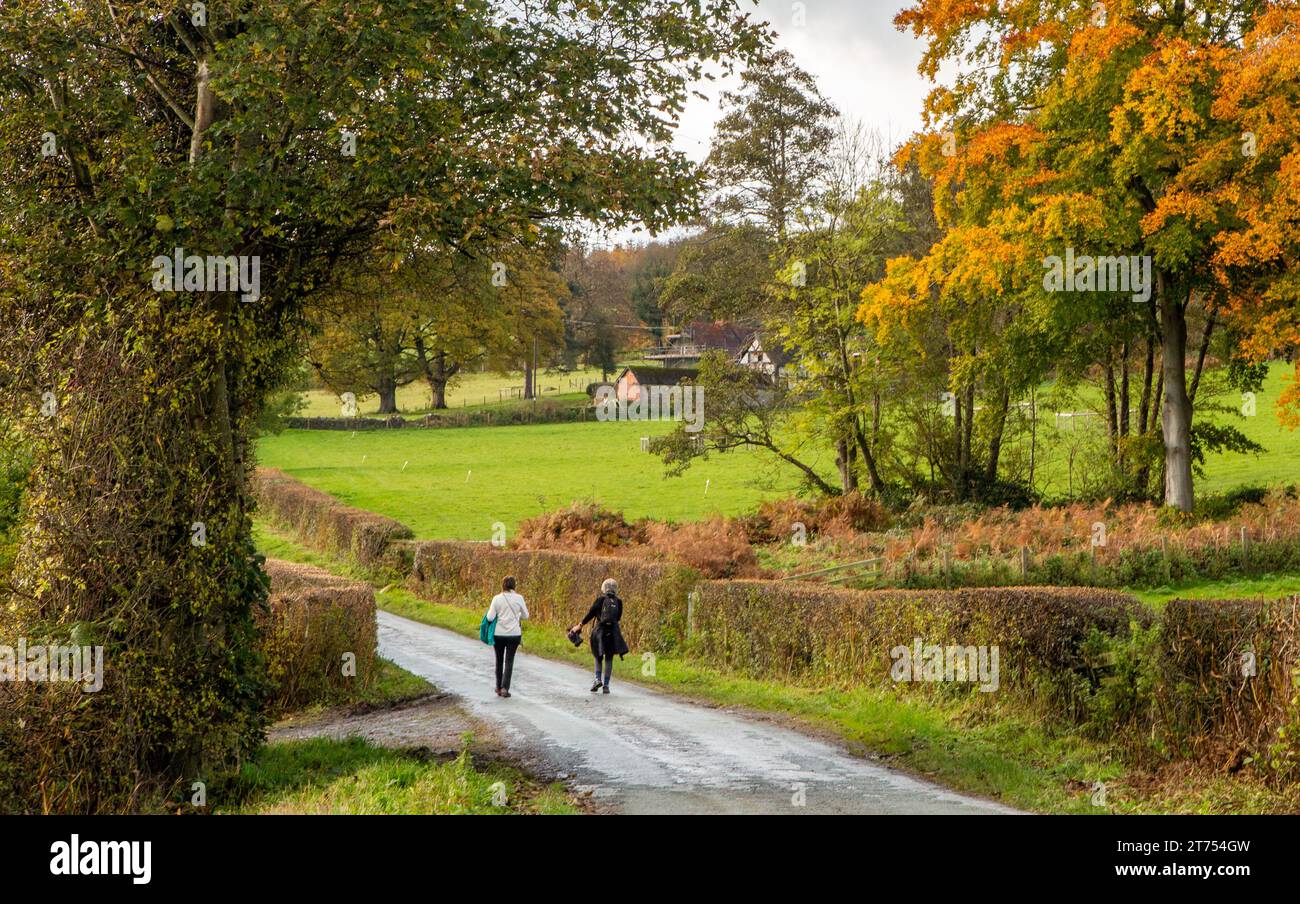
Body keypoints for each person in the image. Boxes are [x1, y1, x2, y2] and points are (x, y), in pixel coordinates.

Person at [571, 578, 629, 694]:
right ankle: (606, 686)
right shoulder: (619, 602)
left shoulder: (600, 600)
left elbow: (590, 614)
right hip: (613, 632)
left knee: (598, 655)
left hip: (600, 631)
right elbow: (618, 618)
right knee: (609, 658)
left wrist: (580, 625)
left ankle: (597, 679)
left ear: (604, 588)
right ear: (615, 589)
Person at [486, 576, 529, 698]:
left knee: (499, 660)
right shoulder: (519, 598)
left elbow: (490, 617)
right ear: (514, 585)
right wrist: (518, 614)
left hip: (498, 634)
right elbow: (526, 616)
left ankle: (498, 687)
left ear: (503, 585)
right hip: (514, 634)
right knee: (509, 661)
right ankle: (505, 688)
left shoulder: (497, 598)